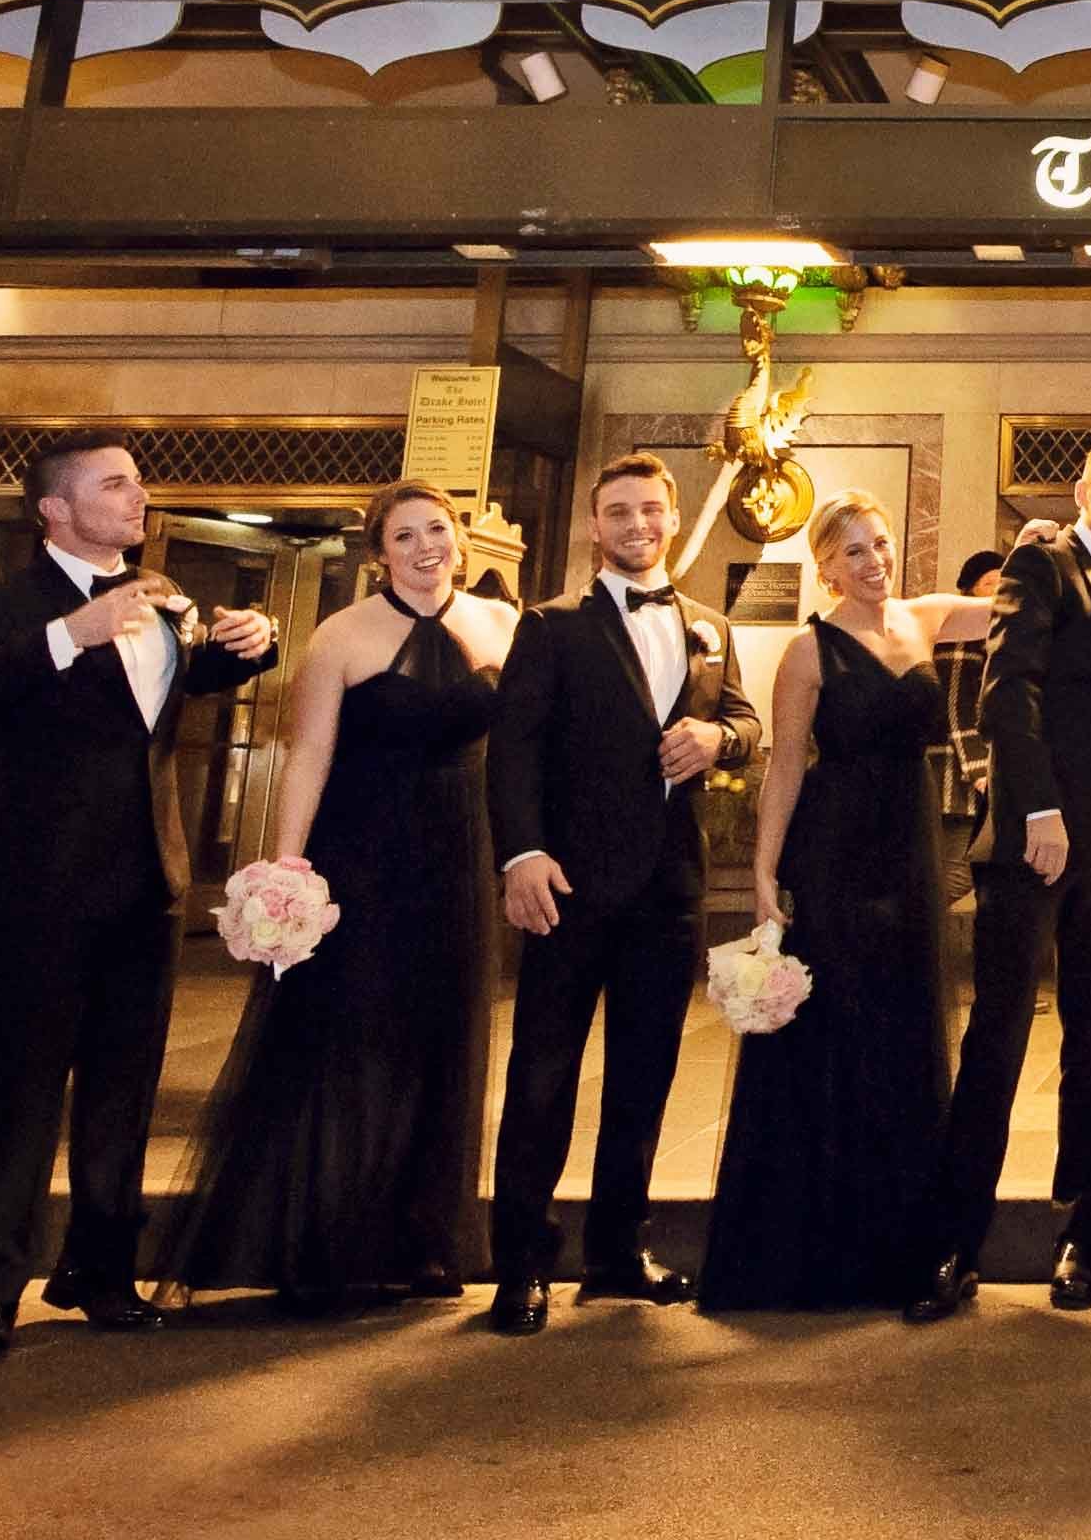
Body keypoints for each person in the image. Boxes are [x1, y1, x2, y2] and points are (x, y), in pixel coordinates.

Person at [0, 433, 280, 1367]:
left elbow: (157, 698)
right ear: (55, 511)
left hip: (146, 885)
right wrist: (67, 636)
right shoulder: (4, 608)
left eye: (138, 482)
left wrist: (246, 647)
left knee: (125, 1091)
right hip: (38, 889)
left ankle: (101, 1274)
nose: (137, 496)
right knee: (25, 1092)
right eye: (114, 484)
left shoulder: (165, 602)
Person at [153, 483, 514, 1310]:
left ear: (457, 539)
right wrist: (286, 870)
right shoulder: (342, 635)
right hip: (362, 853)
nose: (426, 547)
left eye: (438, 530)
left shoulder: (503, 625)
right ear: (379, 551)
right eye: (404, 535)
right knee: (351, 1040)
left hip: (459, 851)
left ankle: (426, 1242)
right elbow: (309, 755)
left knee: (442, 1040)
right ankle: (326, 1238)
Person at [486, 452, 757, 1333]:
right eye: (619, 512)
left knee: (645, 1076)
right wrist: (522, 853)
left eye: (650, 509)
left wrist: (720, 741)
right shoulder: (552, 624)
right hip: (569, 881)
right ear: (594, 527)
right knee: (542, 1076)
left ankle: (615, 1253)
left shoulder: (712, 626)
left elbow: (750, 723)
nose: (637, 524)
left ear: (671, 518)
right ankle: (520, 1263)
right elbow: (515, 750)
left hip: (670, 885)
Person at [710, 491, 996, 1317]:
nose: (876, 562)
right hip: (833, 848)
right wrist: (764, 875)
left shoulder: (927, 618)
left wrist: (1056, 545)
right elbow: (787, 765)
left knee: (903, 1027)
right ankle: (815, 1244)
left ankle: (900, 1242)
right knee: (831, 1030)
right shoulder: (807, 650)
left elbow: (1011, 602)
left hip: (908, 846)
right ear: (826, 565)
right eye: (856, 553)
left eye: (881, 545)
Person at [935, 437, 1091, 1312]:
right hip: (1038, 838)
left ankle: (1081, 1234)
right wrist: (1036, 810)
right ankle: (955, 1242)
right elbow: (1008, 689)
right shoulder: (1042, 561)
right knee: (996, 1037)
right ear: (1082, 489)